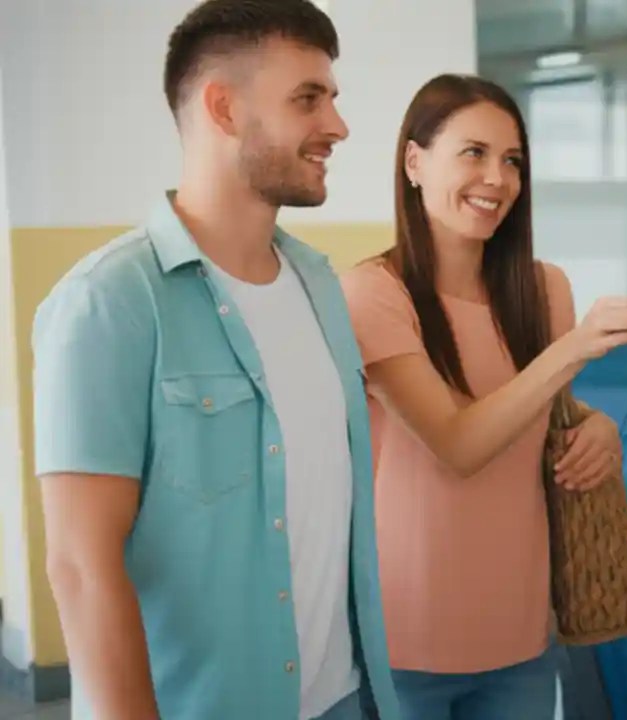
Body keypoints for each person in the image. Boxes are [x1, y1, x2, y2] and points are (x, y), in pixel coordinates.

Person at [32, 2, 399, 719]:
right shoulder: (108, 303)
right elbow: (80, 567)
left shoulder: (322, 284)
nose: (338, 125)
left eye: (333, 97)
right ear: (223, 108)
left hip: (348, 700)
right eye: (307, 98)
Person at [338, 74, 627, 720]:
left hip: (523, 631)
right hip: (408, 638)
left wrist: (597, 426)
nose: (498, 178)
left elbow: (538, 416)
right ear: (414, 163)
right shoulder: (373, 294)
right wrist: (574, 346)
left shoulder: (545, 289)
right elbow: (458, 445)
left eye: (512, 161)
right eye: (474, 153)